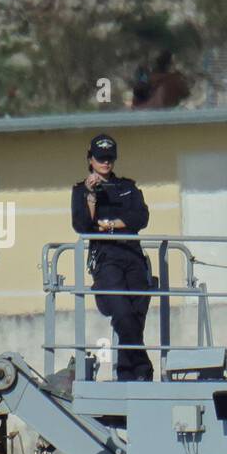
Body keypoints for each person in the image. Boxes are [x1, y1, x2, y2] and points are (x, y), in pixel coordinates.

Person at [71, 133, 153, 382]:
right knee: (122, 311)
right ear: (90, 159)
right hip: (106, 258)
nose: (105, 163)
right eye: (100, 158)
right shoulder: (81, 191)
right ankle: (143, 367)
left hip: (133, 254)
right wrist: (91, 196)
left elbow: (141, 217)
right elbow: (82, 225)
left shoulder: (127, 187)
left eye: (109, 159)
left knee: (137, 313)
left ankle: (129, 373)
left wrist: (111, 225)